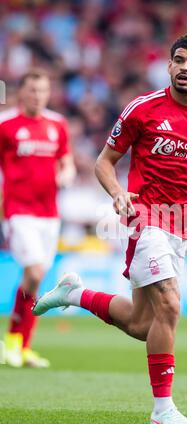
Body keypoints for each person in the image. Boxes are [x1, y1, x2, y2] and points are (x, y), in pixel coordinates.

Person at [33, 35, 187, 424]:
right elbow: (104, 162)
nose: (184, 68)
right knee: (171, 306)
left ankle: (75, 293)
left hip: (182, 224)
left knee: (145, 325)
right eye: (178, 60)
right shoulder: (143, 109)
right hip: (145, 217)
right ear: (169, 65)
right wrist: (118, 193)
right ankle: (163, 410)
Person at [0, 69, 75, 368]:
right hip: (18, 212)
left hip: (49, 213)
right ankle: (13, 342)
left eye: (42, 91)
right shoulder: (6, 125)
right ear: (21, 93)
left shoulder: (58, 124)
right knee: (33, 271)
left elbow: (66, 159)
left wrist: (66, 173)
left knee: (37, 278)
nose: (37, 96)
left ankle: (22, 345)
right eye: (32, 91)